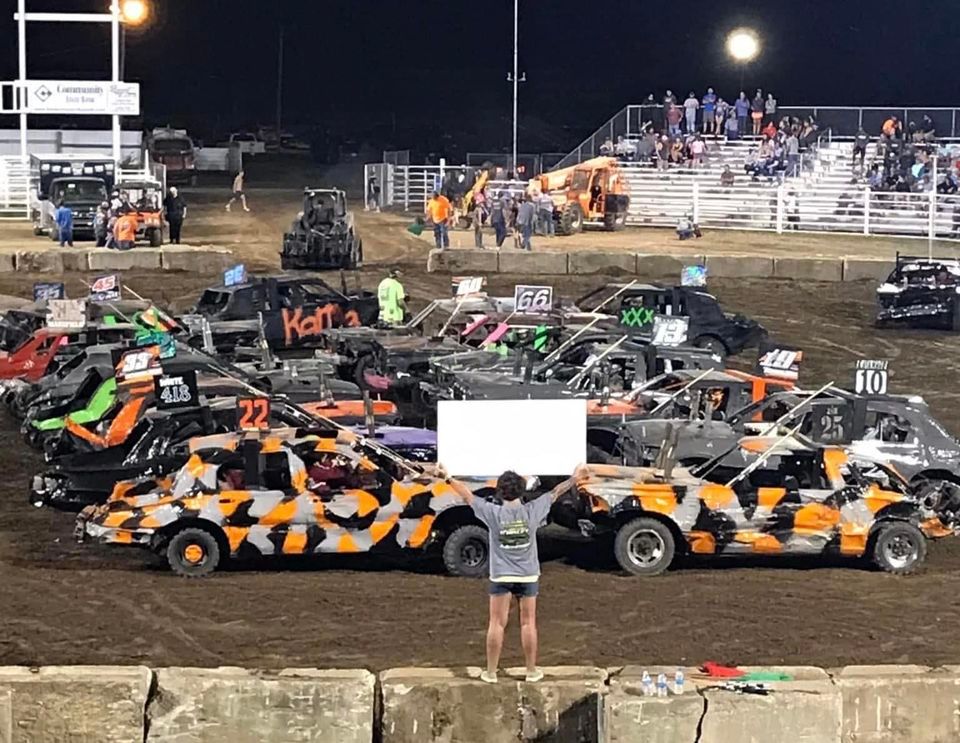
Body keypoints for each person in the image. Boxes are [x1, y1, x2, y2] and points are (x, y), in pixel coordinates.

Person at [441, 468, 583, 684]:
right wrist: (575, 478)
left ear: (499, 492)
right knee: (528, 623)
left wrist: (447, 477)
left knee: (496, 623)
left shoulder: (492, 512)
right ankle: (531, 671)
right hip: (528, 575)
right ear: (522, 491)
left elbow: (467, 495)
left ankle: (490, 672)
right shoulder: (532, 510)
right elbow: (555, 492)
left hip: (501, 575)